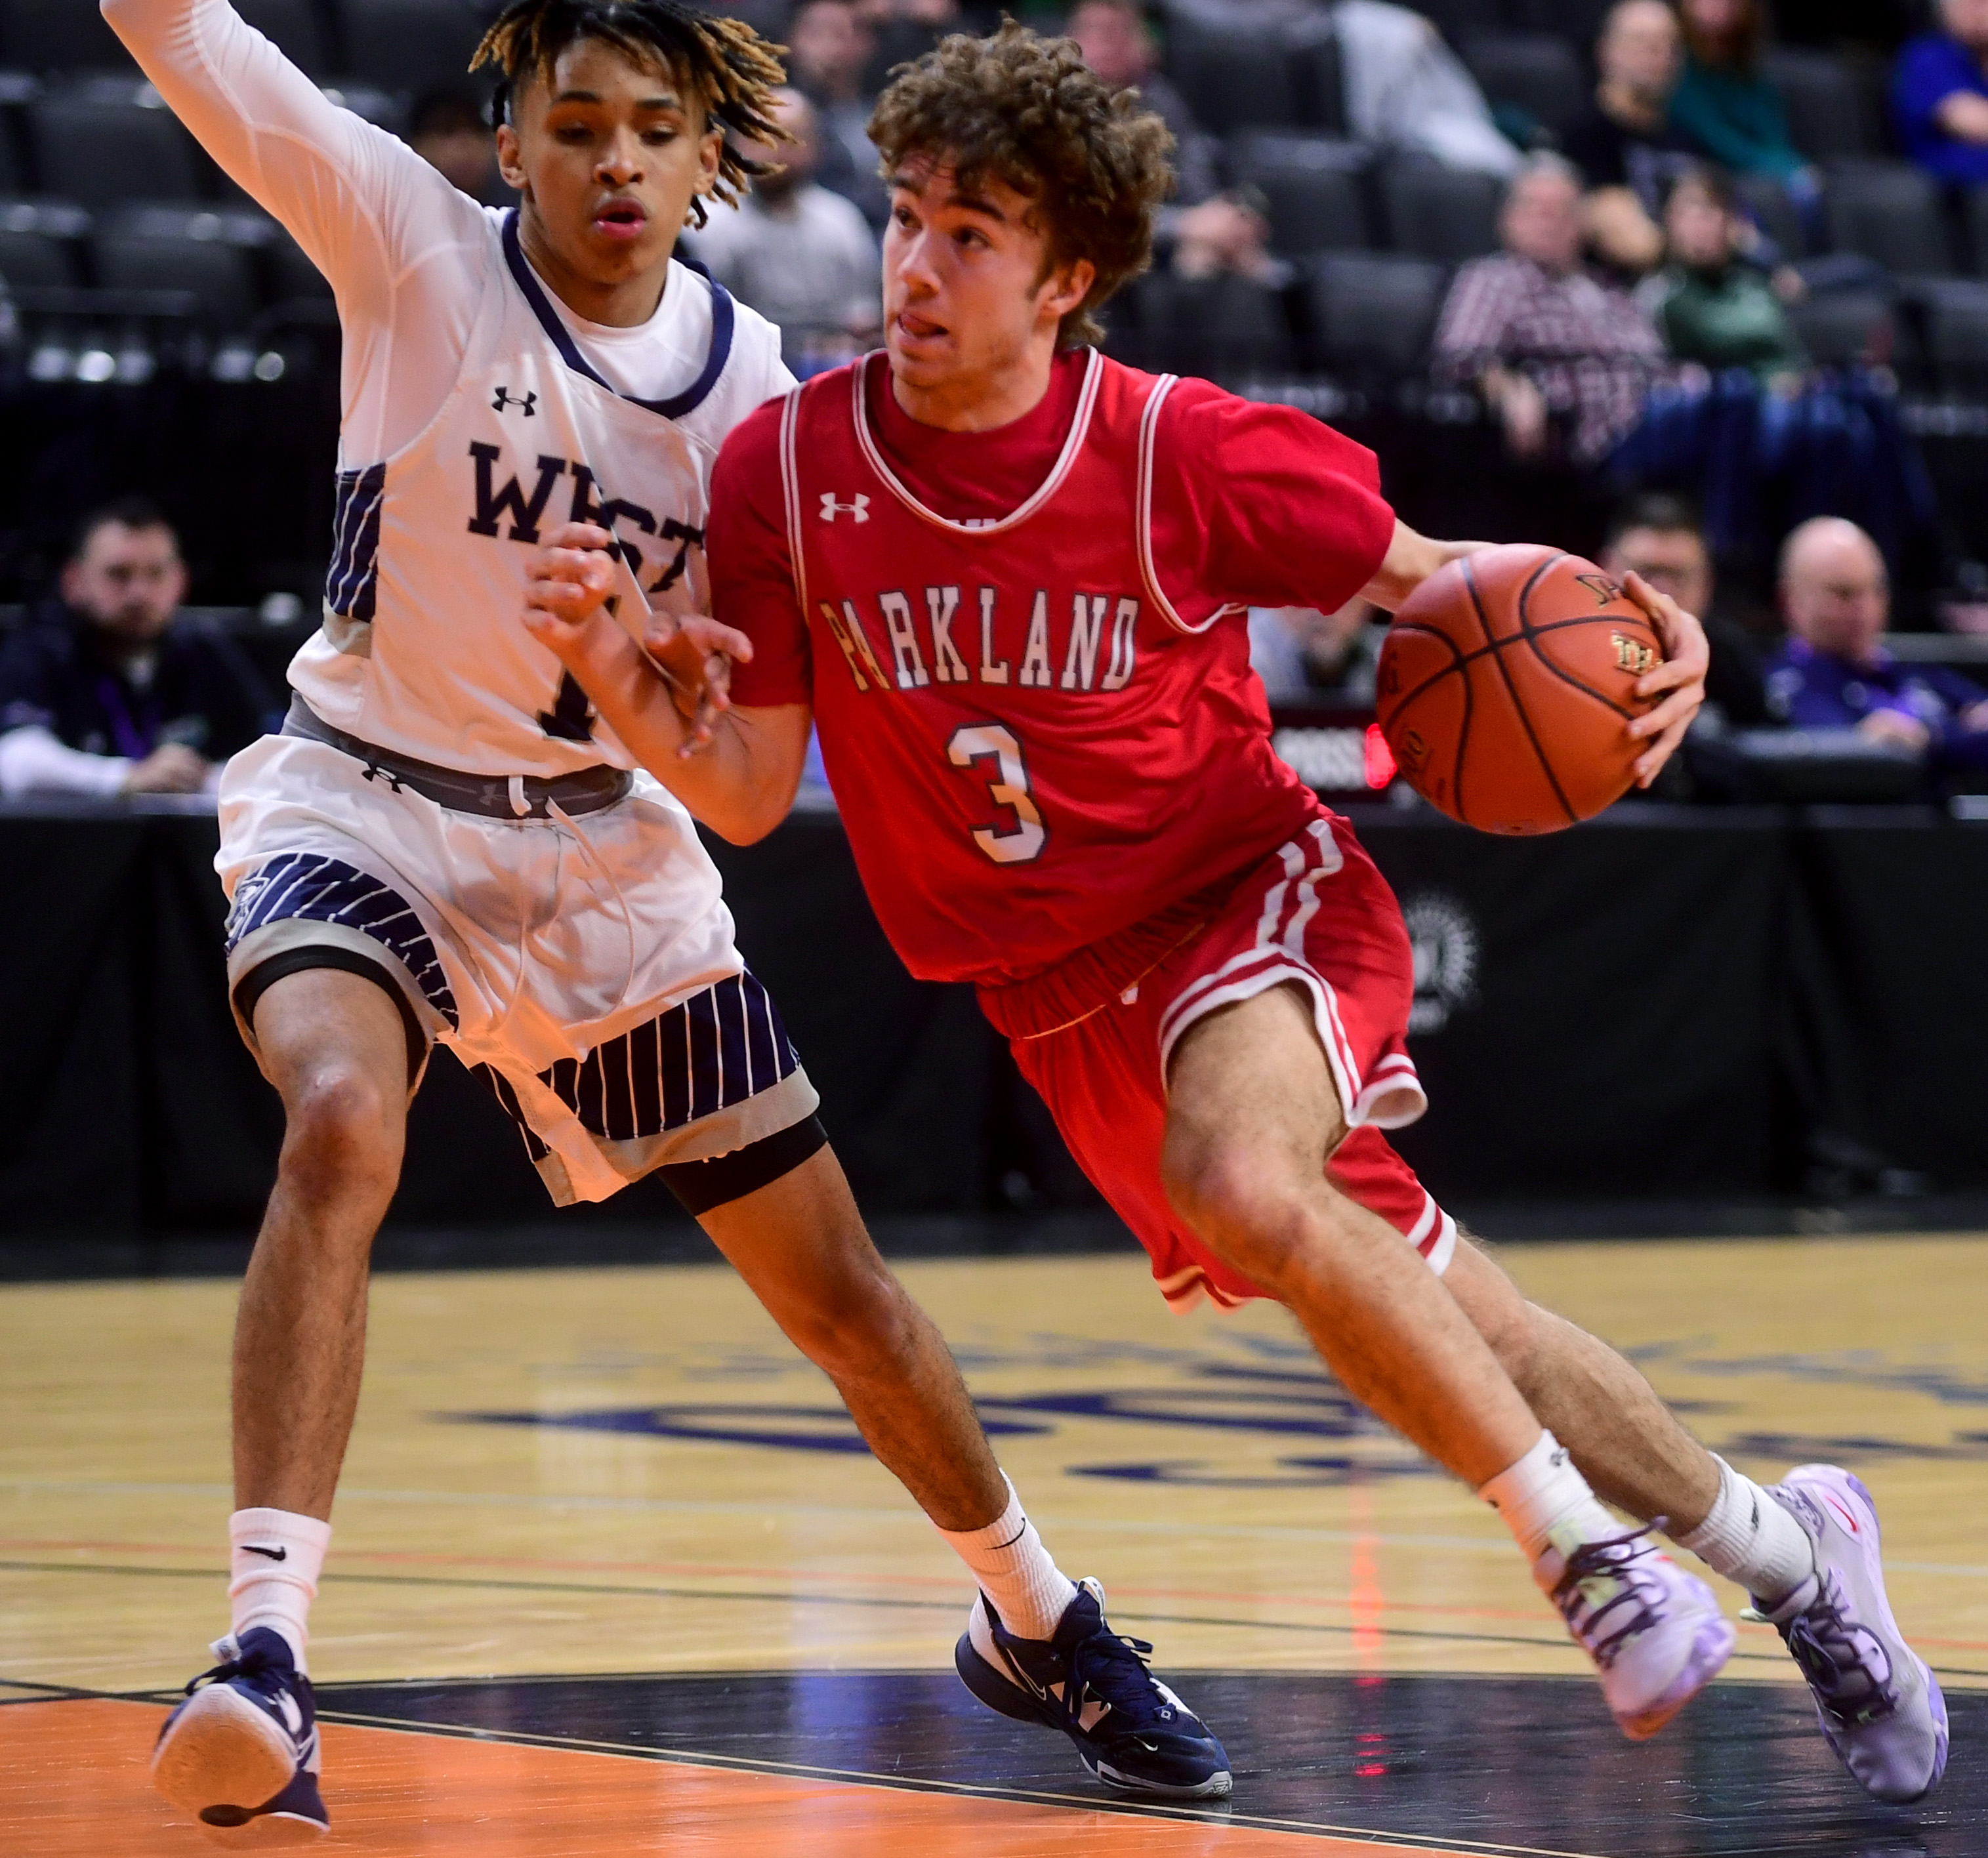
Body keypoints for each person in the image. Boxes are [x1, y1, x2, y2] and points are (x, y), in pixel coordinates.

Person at [525, 21, 1947, 1809]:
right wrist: (615, 678)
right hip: (1051, 998)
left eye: (969, 233)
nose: (913, 264)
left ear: (1069, 275)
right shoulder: (787, 473)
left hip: (1242, 897)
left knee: (1250, 1182)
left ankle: (1589, 1570)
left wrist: (1662, 656)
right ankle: (1797, 1556)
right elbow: (739, 787)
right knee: (1458, 1318)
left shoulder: (1174, 455)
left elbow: (1465, 590)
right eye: (902, 217)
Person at [106, 0, 1210, 1837]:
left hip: (612, 867)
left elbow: (741, 781)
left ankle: (1038, 1618)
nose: (612, 159)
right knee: (336, 1119)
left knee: (844, 1301)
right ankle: (266, 1660)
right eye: (575, 123)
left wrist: (657, 673)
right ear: (512, 142)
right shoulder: (404, 241)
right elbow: (192, 42)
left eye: (650, 130)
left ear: (711, 164)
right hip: (360, 804)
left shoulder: (767, 407)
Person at [0, 499, 272, 798]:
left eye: (156, 574)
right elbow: (15, 760)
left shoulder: (204, 650)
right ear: (74, 581)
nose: (139, 594)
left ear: (180, 580)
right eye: (119, 574)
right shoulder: (41, 650)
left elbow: (275, 754)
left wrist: (202, 781)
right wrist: (125, 778)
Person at [1432, 154, 1668, 466]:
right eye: (1533, 208)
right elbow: (1460, 353)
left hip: (1656, 408)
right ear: (1508, 219)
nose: (1546, 221)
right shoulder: (1495, 278)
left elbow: (1655, 355)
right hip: (1593, 436)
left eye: (1561, 212)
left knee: (1729, 405)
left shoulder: (1606, 286)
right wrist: (1509, 389)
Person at [1766, 516, 1988, 769]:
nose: (1865, 607)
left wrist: (1929, 740)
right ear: (1790, 601)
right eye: (1843, 593)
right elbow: (1854, 759)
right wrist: (1960, 733)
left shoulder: (1911, 673)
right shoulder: (1788, 688)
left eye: (1875, 589)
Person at [689, 86, 880, 368]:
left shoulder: (841, 222)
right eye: (762, 135)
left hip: (828, 363)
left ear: (815, 146)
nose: (775, 150)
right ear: (738, 142)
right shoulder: (709, 224)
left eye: (791, 137)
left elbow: (862, 311)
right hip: (739, 363)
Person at [1599, 493, 1770, 725]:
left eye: (1678, 576)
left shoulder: (1736, 662)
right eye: (1646, 572)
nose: (1662, 592)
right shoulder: (1568, 644)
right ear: (1604, 571)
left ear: (1707, 583)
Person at [1562, 0, 1697, 275]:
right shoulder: (1584, 137)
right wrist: (1708, 242)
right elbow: (1634, 246)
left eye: (1667, 44)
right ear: (1604, 51)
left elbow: (1741, 232)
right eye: (1640, 42)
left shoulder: (1686, 138)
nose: (1656, 54)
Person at [1646, 166, 1805, 384]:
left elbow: (1788, 346)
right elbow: (1714, 334)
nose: (1704, 227)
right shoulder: (1661, 295)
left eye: (1713, 213)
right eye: (1690, 215)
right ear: (1668, 224)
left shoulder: (1750, 284)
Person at [1066, 0, 1216, 207]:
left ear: (1145, 43)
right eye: (1098, 32)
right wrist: (1182, 225)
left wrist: (1214, 216)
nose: (1109, 45)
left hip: (1157, 226)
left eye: (1122, 31)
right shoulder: (1055, 105)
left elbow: (1197, 188)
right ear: (1070, 41)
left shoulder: (1162, 101)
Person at [1668, 0, 1813, 190]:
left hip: (1765, 178)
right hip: (1710, 176)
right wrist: (1784, 170)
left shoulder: (1747, 65)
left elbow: (1773, 135)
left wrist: (1794, 168)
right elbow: (1717, 139)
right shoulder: (1676, 67)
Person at [786, 0, 889, 227]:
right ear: (793, 39)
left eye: (841, 34)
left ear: (866, 43)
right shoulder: (779, 114)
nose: (830, 48)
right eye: (816, 33)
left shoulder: (883, 118)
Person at [1894, 0, 1988, 187]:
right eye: (1970, 4)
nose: (1979, 11)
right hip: (1954, 191)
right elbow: (1971, 120)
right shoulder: (1928, 56)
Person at [1248, 598, 1384, 705]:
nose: (1318, 612)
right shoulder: (1247, 655)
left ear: (1370, 602)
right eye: (1303, 600)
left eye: (1336, 598)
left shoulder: (1388, 655)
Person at [407, 85, 507, 204]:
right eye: (447, 130)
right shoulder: (393, 214)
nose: (466, 142)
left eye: (477, 129)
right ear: (418, 145)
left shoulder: (515, 215)